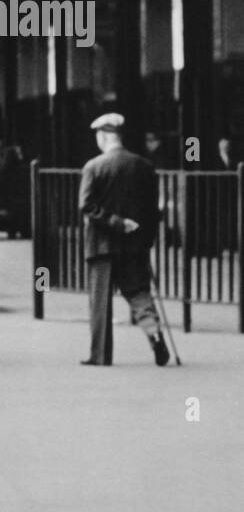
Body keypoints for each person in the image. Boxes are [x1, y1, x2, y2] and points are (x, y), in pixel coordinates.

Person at [79, 113, 168, 366]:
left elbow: (86, 206)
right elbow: (152, 210)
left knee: (100, 302)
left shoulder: (93, 167)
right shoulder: (144, 166)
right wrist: (146, 240)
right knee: (139, 294)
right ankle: (154, 334)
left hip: (101, 244)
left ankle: (100, 354)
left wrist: (116, 223)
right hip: (134, 244)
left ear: (104, 136)